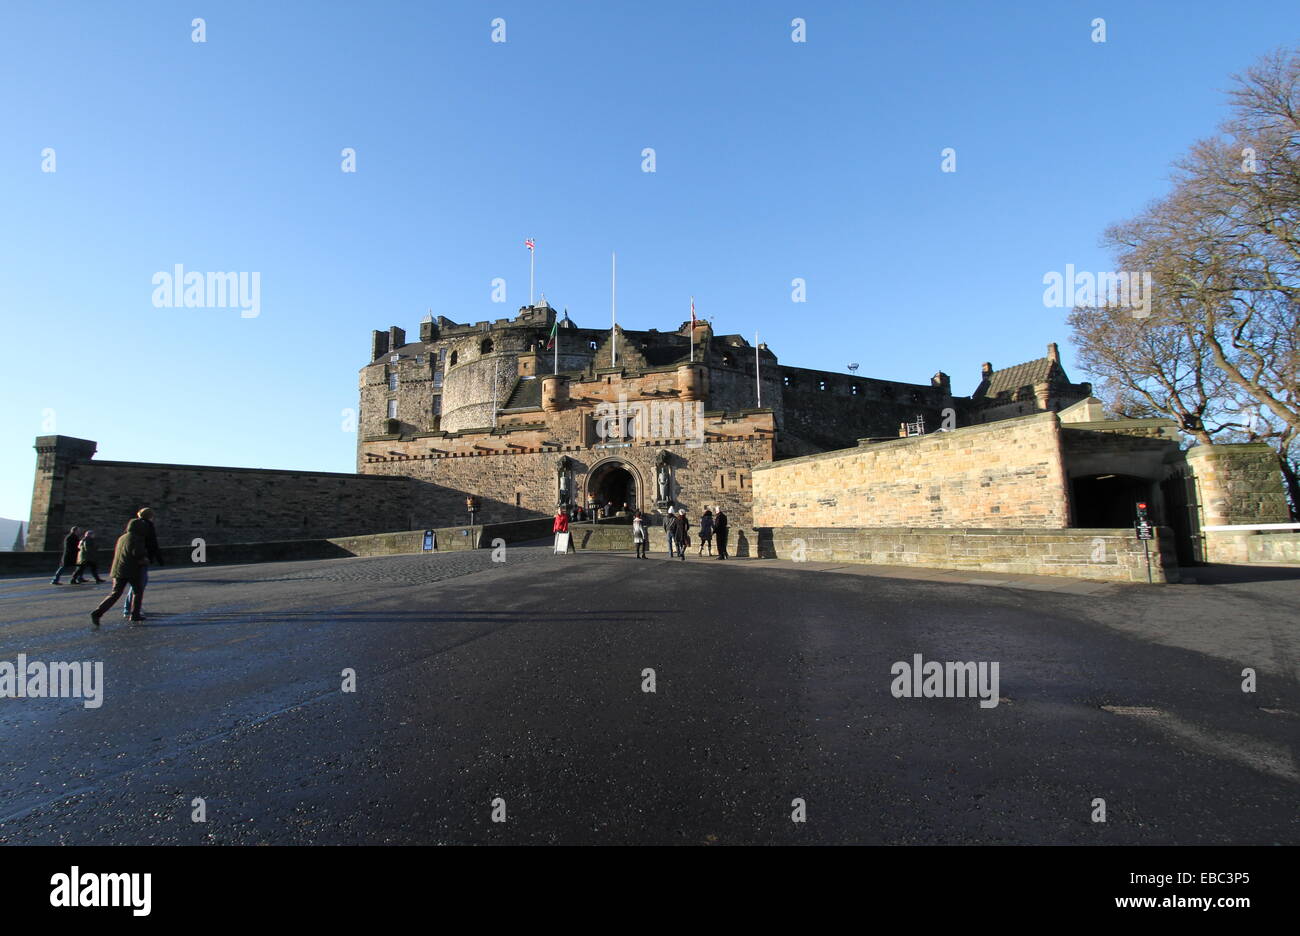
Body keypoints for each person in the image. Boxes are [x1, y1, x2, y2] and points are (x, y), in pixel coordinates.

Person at [91, 518, 149, 627]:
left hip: (118, 569)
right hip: (132, 569)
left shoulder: (122, 537)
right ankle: (135, 614)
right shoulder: (137, 538)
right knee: (138, 591)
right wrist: (145, 558)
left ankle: (98, 612)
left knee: (115, 593)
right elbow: (137, 553)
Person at [124, 507, 164, 621]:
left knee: (134, 586)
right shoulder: (147, 526)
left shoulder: (132, 525)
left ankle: (129, 608)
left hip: (130, 558)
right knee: (139, 585)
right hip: (141, 558)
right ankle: (132, 610)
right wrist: (159, 559)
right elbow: (152, 543)